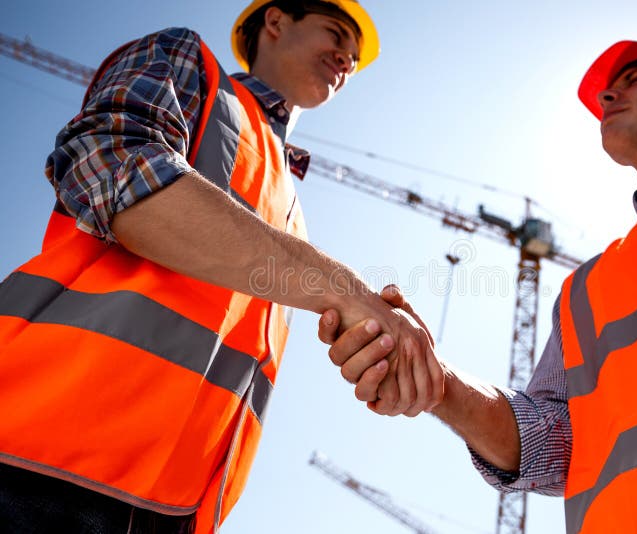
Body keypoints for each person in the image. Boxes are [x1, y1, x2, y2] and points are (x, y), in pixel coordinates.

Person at [319, 37, 637, 533]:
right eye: (608, 93)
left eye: (634, 81)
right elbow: (555, 445)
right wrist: (438, 382)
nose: (607, 99)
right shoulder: (584, 291)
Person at [0, 1, 443, 533]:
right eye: (336, 32)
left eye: (353, 53)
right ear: (276, 21)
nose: (346, 56)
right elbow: (111, 165)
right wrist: (344, 292)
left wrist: (381, 346)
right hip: (32, 454)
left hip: (167, 508)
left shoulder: (290, 205)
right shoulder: (192, 65)